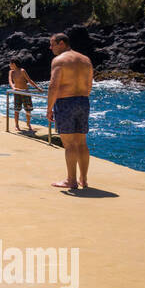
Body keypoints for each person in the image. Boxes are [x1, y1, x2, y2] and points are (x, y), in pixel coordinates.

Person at [46, 33, 94, 190]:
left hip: (65, 102)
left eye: (52, 44)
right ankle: (83, 179)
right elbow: (89, 85)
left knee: (69, 144)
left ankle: (71, 180)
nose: (50, 48)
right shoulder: (86, 60)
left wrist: (49, 108)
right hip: (83, 101)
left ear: (61, 43)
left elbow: (53, 86)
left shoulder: (59, 61)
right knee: (82, 143)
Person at [8, 58, 44, 132]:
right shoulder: (11, 72)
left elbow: (29, 80)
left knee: (28, 109)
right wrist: (13, 88)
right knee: (16, 109)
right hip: (17, 92)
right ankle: (16, 125)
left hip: (25, 92)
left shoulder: (22, 71)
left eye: (10, 64)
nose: (9, 65)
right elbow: (10, 81)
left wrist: (37, 88)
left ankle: (28, 123)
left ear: (14, 64)